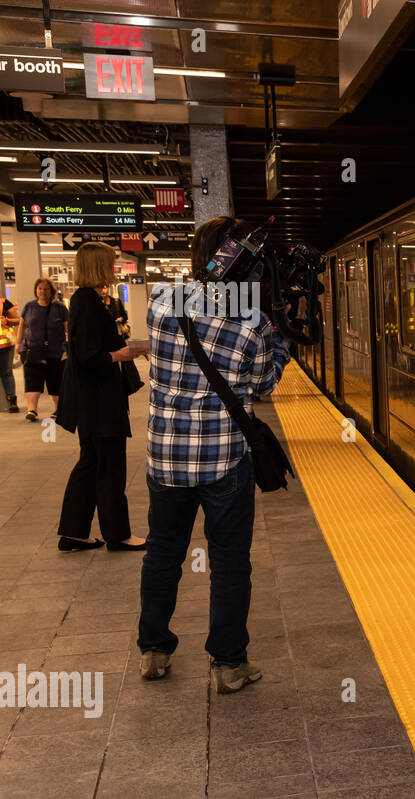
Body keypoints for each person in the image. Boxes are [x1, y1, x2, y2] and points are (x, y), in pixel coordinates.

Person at [137, 216, 289, 694]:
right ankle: (228, 665)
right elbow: (263, 385)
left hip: (165, 457)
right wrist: (280, 342)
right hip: (224, 460)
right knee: (229, 561)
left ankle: (154, 652)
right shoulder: (253, 321)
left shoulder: (162, 302)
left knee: (163, 554)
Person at [54, 243, 148, 553]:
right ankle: (118, 535)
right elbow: (88, 355)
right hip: (98, 400)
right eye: (110, 262)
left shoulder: (86, 300)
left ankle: (74, 533)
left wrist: (128, 349)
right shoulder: (87, 301)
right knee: (109, 466)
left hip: (91, 399)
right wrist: (120, 354)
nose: (114, 266)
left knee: (91, 465)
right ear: (98, 265)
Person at [16, 277, 69, 421]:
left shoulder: (60, 308)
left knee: (55, 380)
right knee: (32, 379)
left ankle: (59, 409)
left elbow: (68, 327)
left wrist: (71, 345)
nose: (42, 291)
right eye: (40, 288)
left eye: (45, 289)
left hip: (55, 351)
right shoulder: (29, 307)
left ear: (51, 291)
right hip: (33, 350)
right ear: (35, 291)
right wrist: (18, 344)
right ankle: (32, 410)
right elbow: (22, 326)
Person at [1, 298, 19, 412]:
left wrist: (7, 321)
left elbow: (17, 320)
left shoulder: (4, 303)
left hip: (6, 344)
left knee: (7, 372)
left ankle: (12, 400)